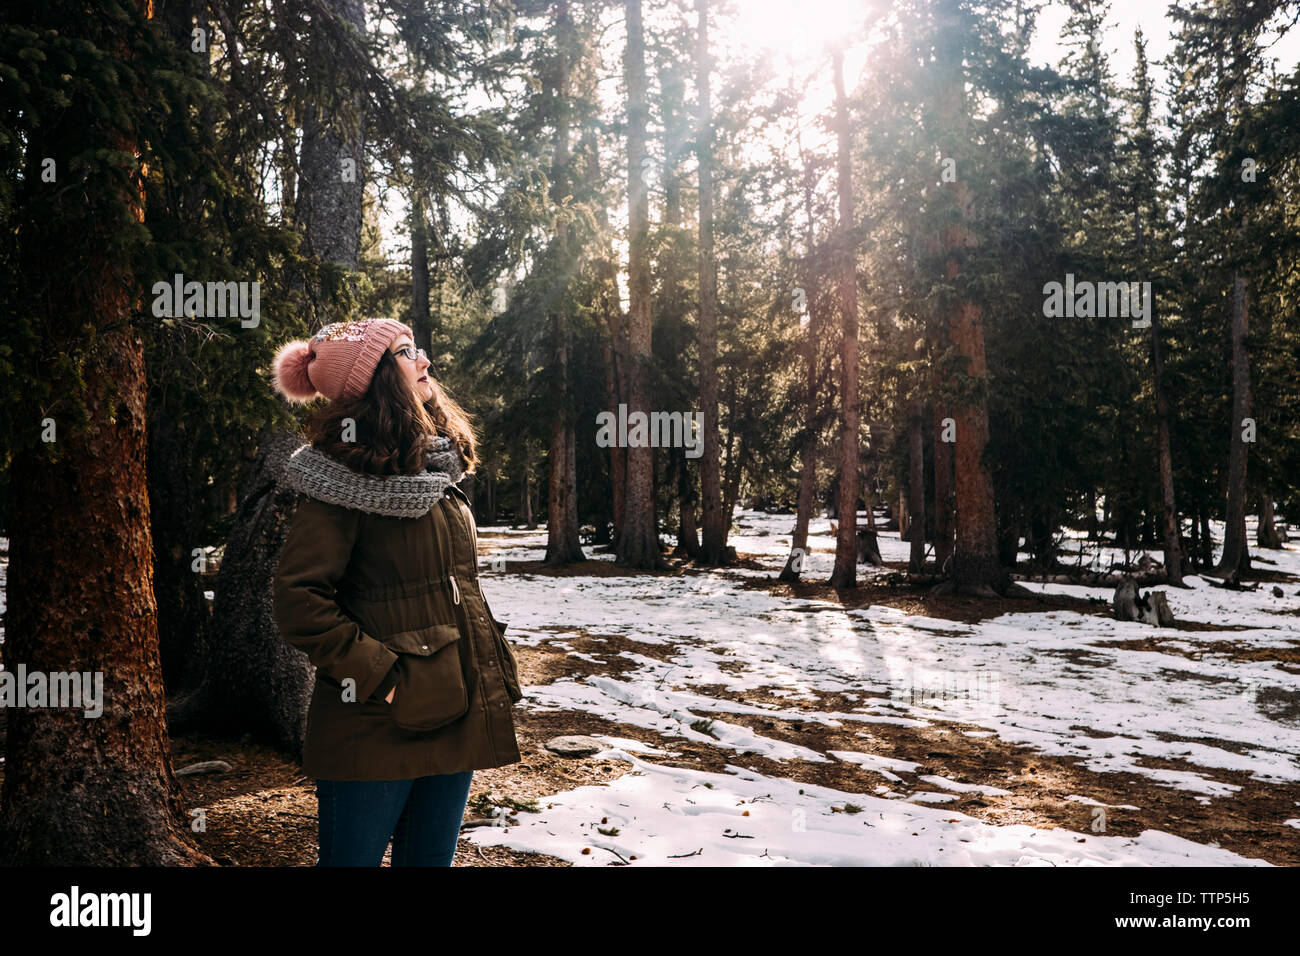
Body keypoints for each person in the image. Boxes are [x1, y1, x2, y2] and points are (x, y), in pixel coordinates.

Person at [270, 317, 524, 867]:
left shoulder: (432, 467)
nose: (425, 360)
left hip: (452, 705)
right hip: (374, 724)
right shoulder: (338, 482)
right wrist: (385, 679)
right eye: (408, 351)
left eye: (418, 347)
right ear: (376, 380)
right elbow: (300, 600)